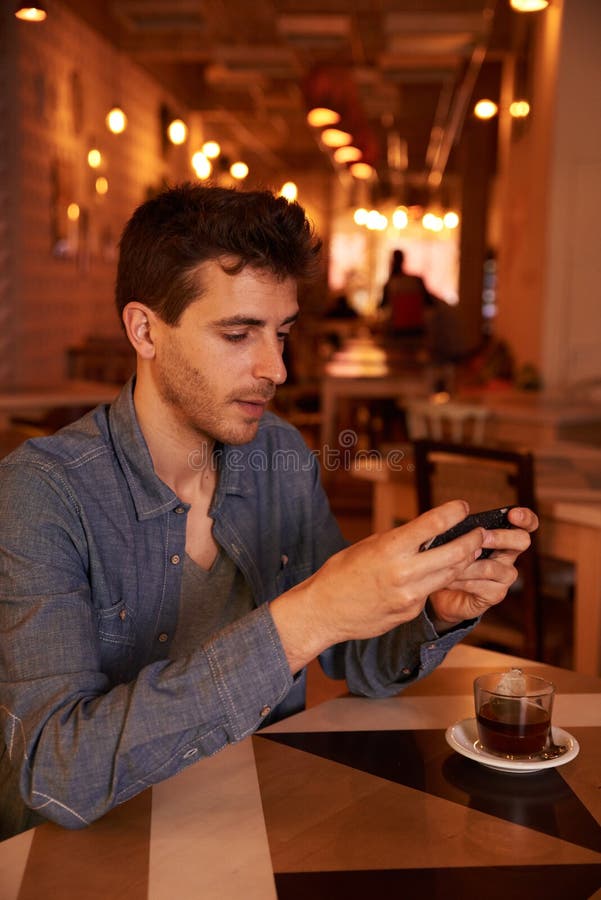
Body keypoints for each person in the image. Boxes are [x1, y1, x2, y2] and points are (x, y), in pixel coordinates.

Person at [0, 184, 537, 839]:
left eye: (280, 334)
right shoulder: (40, 494)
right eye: (237, 333)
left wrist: (429, 608)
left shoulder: (276, 453)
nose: (276, 367)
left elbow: (355, 660)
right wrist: (303, 619)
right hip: (89, 855)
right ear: (144, 330)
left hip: (252, 815)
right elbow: (54, 775)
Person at [380, 248, 432, 338]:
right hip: (417, 330)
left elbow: (382, 306)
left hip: (397, 331)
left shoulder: (391, 283)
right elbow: (429, 303)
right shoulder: (416, 281)